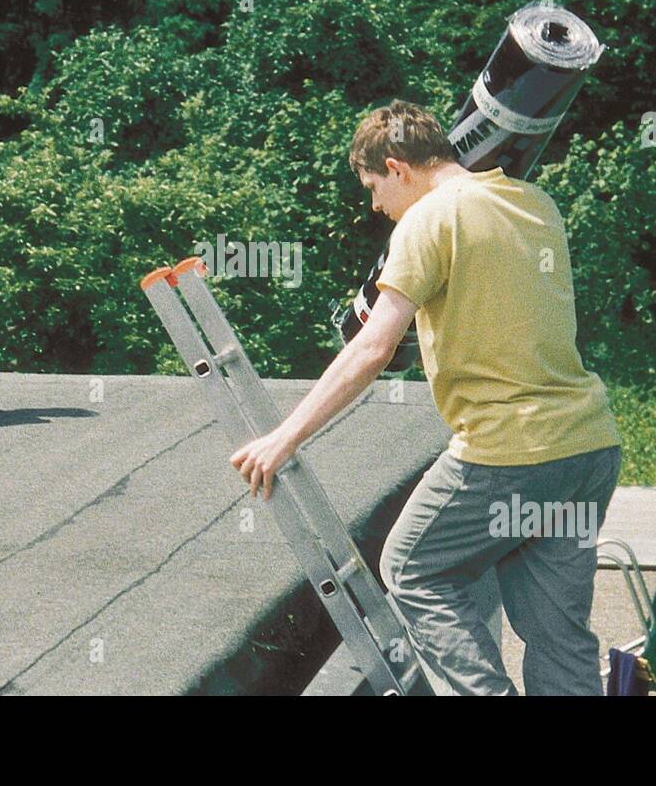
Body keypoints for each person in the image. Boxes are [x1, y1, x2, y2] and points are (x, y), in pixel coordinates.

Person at [230, 100, 623, 695]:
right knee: (558, 634)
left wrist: (283, 438)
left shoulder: (428, 219)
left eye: (374, 187)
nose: (375, 205)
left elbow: (372, 348)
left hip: (509, 451)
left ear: (398, 167)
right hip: (587, 448)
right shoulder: (534, 203)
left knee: (413, 570)